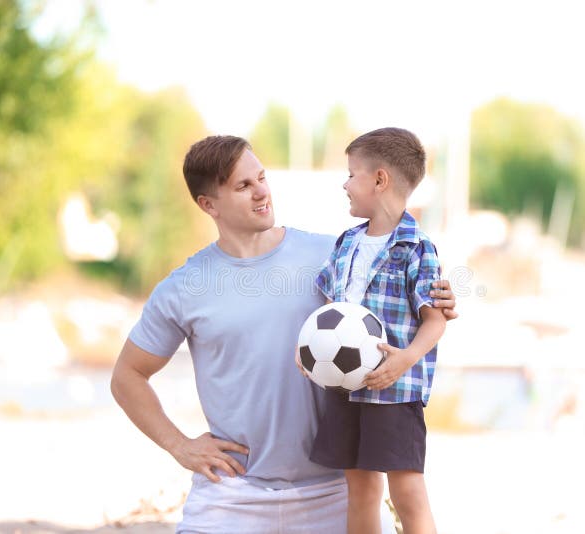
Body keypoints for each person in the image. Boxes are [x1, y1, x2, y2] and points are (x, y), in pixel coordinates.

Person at [109, 134, 457, 534]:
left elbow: (407, 294)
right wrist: (180, 445)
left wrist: (441, 298)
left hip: (335, 493)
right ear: (208, 204)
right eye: (243, 186)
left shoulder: (337, 254)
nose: (262, 192)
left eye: (261, 178)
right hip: (231, 496)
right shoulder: (184, 287)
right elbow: (127, 377)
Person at [301, 127, 444, 534]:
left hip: (394, 390)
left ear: (379, 179)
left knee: (407, 492)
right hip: (346, 386)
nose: (344, 184)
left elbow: (434, 320)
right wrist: (308, 347)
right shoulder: (346, 243)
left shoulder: (417, 248)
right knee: (360, 487)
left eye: (351, 174)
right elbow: (330, 310)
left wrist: (407, 358)